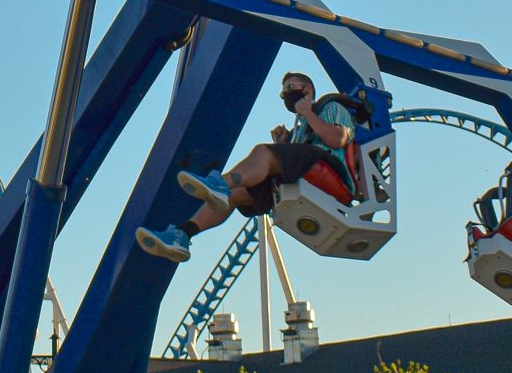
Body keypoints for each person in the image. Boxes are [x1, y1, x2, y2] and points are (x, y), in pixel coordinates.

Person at [135, 72, 357, 264]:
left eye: (290, 88)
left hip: (330, 169)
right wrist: (285, 144)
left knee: (262, 152)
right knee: (235, 194)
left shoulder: (330, 106)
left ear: (307, 88)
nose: (285, 95)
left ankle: (220, 183)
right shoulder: (300, 129)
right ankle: (183, 235)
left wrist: (307, 112)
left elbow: (337, 139)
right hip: (301, 177)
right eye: (283, 93)